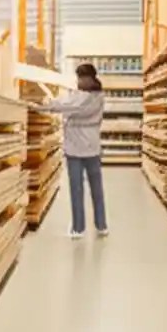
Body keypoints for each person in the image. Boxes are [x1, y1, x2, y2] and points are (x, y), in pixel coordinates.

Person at [40, 63, 107, 239]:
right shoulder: (85, 96)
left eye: (83, 78)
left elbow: (70, 106)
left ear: (91, 79)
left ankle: (90, 226)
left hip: (84, 149)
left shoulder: (92, 98)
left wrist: (47, 104)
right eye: (79, 77)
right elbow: (68, 103)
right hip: (82, 149)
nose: (80, 81)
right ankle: (90, 226)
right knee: (85, 189)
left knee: (87, 189)